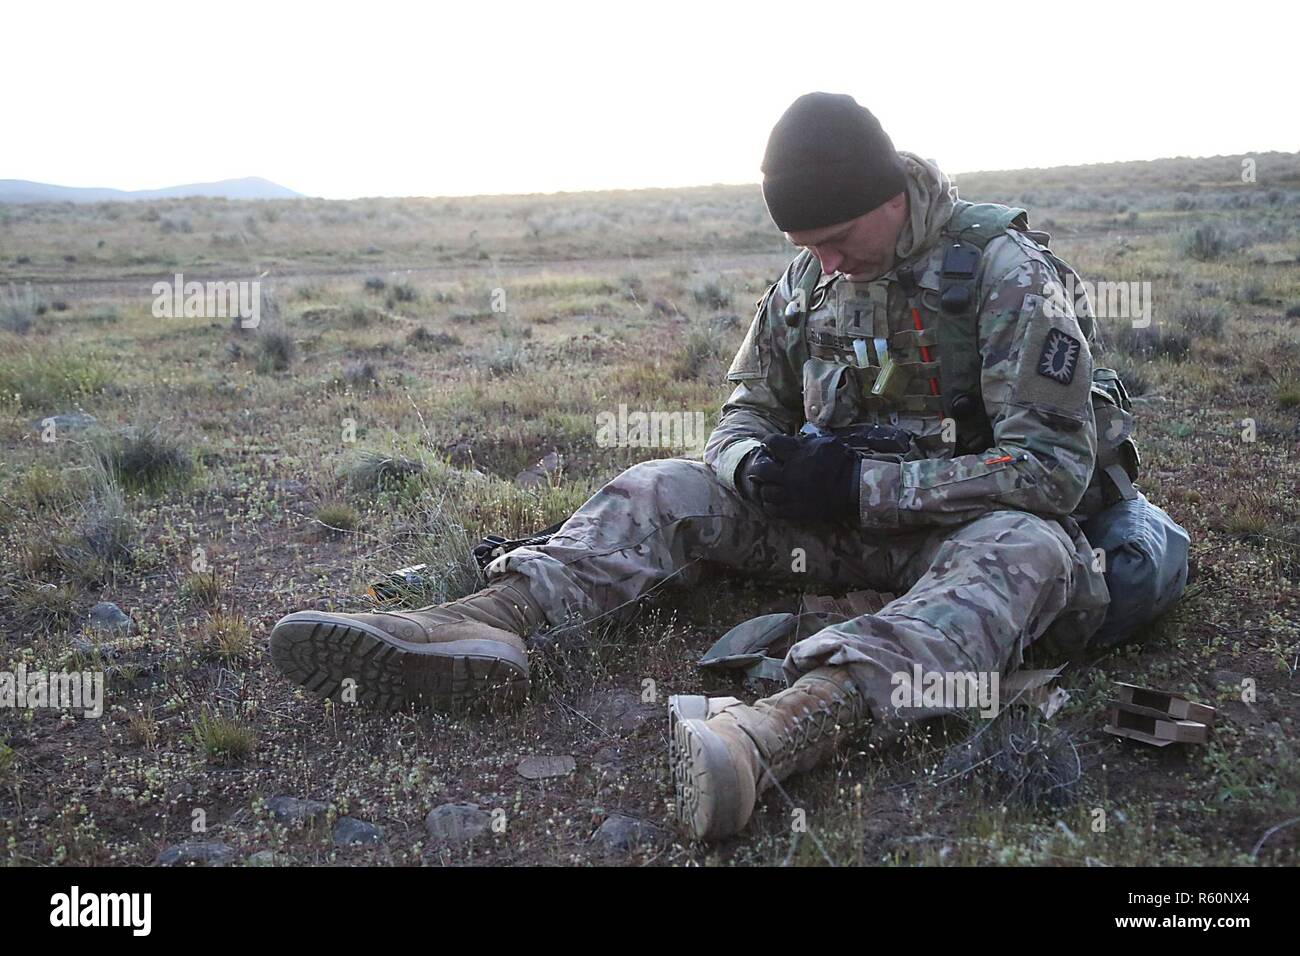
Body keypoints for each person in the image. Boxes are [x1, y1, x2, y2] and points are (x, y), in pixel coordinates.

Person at [269, 92, 1111, 841]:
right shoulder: (808, 281)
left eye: (839, 238)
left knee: (1027, 548)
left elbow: (1051, 469)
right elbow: (743, 409)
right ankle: (484, 621)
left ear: (890, 199)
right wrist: (752, 468)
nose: (825, 261)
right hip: (820, 528)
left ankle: (773, 734)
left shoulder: (1005, 274)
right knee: (662, 484)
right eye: (805, 244)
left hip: (951, 537)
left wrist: (864, 485)